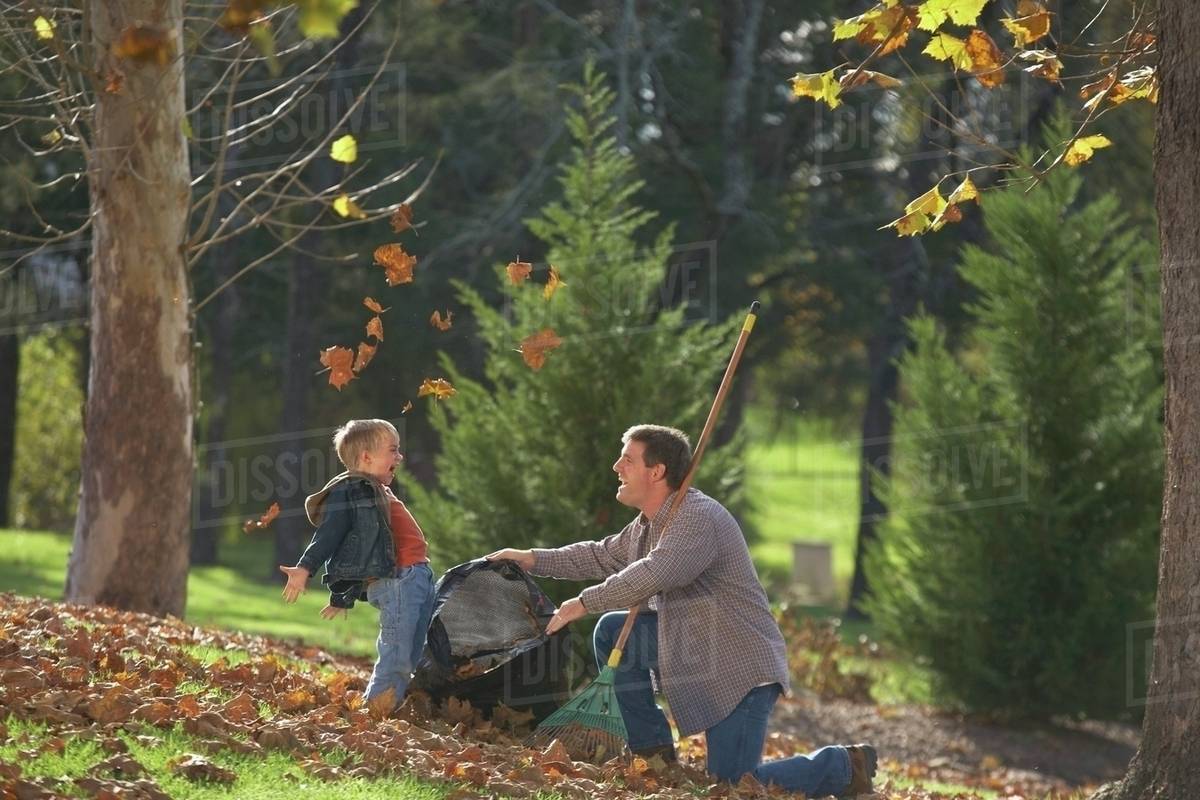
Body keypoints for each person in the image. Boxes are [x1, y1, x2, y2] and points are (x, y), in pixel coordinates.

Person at [486, 424, 877, 798]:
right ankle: (653, 750)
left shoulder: (696, 518)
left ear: (656, 471)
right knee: (612, 630)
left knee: (731, 786)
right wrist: (532, 559)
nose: (616, 467)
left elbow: (656, 572)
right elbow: (601, 555)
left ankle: (844, 766)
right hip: (700, 649)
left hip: (741, 669)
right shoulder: (649, 524)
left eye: (627, 460)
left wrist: (580, 603)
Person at [280, 418, 435, 711]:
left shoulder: (375, 490)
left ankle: (393, 704)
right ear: (366, 457)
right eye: (393, 450)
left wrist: (343, 596)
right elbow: (330, 535)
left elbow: (364, 547)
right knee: (397, 653)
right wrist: (305, 567)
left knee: (413, 651)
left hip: (416, 578)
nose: (399, 457)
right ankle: (375, 711)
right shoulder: (352, 491)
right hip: (399, 581)